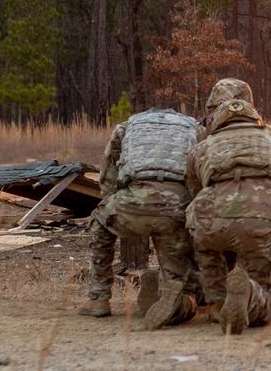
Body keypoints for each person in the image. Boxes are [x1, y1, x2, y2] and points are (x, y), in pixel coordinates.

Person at [184, 98, 271, 334]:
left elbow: (193, 192)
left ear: (217, 122)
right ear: (255, 118)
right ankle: (250, 295)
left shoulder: (201, 147)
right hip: (258, 220)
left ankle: (218, 304)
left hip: (207, 221)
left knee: (207, 244)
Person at [79, 108, 199, 329]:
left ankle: (99, 298)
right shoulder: (193, 128)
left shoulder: (127, 127)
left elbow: (108, 177)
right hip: (175, 207)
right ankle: (181, 300)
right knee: (179, 273)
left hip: (134, 200)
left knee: (100, 221)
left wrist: (114, 203)